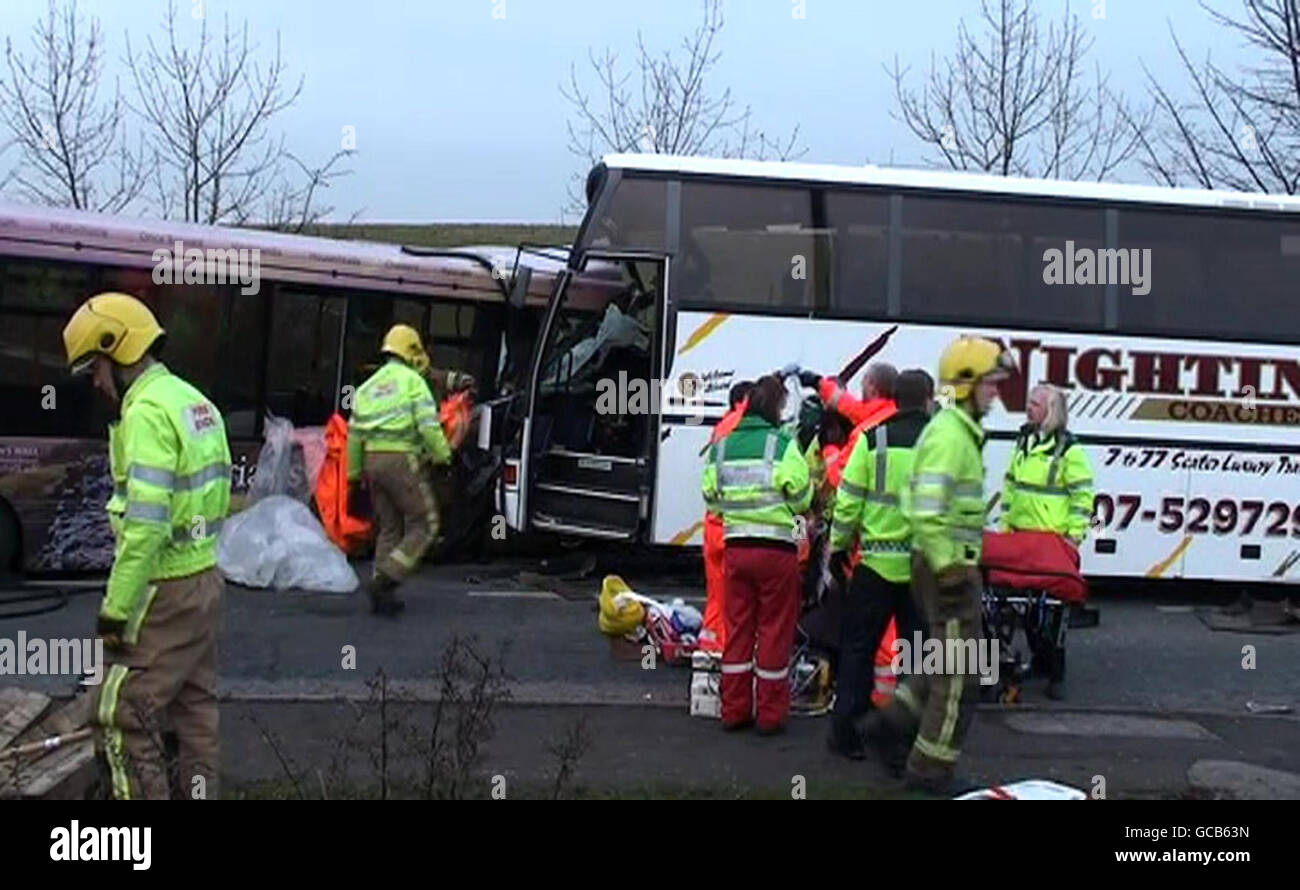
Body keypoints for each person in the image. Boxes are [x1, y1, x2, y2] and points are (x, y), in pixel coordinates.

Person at [62, 292, 231, 800]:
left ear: (118, 349)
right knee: (195, 711)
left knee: (119, 714)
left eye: (96, 365)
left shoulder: (146, 413)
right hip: (205, 579)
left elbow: (147, 526)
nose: (95, 380)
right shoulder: (193, 401)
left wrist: (116, 609)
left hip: (163, 587)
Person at [862, 337, 1016, 795]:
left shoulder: (954, 429)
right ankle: (930, 771)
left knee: (940, 662)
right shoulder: (951, 436)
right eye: (990, 383)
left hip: (942, 566)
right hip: (947, 571)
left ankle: (889, 726)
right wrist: (951, 567)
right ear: (966, 384)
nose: (997, 392)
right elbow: (927, 509)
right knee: (958, 677)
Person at [826, 370, 933, 759]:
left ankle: (847, 734)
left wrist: (837, 548)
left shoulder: (873, 441)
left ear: (895, 400)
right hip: (922, 571)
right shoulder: (943, 447)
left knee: (857, 652)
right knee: (917, 655)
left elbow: (849, 501)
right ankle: (905, 738)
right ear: (927, 400)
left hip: (873, 567)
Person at [701, 375, 812, 732]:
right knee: (774, 632)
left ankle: (734, 711)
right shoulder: (783, 445)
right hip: (776, 553)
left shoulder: (723, 445)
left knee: (737, 631)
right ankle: (770, 715)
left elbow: (711, 498)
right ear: (777, 408)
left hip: (735, 549)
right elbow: (801, 496)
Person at [348, 324, 452, 616]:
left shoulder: (367, 388)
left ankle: (381, 596)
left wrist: (354, 477)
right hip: (401, 461)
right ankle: (387, 578)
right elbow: (429, 427)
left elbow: (354, 436)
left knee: (390, 528)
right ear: (412, 351)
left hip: (371, 463)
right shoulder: (413, 383)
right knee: (426, 522)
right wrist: (444, 455)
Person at [1000, 383, 1094, 698]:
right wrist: (1006, 527)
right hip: (1023, 540)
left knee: (1052, 612)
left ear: (1051, 410)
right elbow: (1011, 485)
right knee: (1027, 608)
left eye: (1035, 403)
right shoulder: (1025, 440)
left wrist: (1073, 537)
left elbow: (1083, 497)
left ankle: (1057, 673)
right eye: (1029, 402)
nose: (1028, 407)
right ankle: (1041, 662)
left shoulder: (1070, 451)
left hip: (1052, 544)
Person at [699, 380, 753, 654]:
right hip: (740, 529)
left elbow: (709, 486)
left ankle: (710, 646)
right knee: (739, 598)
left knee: (717, 594)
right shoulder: (750, 429)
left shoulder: (721, 428)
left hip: (715, 526)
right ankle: (729, 650)